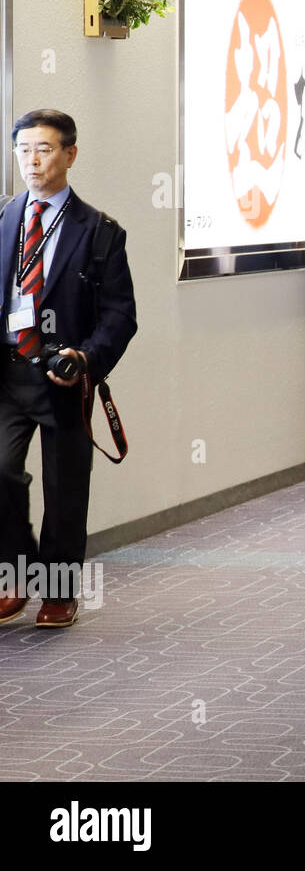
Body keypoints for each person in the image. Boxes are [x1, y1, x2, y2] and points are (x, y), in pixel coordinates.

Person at [0, 110, 137, 628]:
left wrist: (86, 358)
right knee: (1, 472)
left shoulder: (100, 231)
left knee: (64, 488)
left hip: (63, 377)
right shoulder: (3, 217)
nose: (32, 160)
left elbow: (121, 316)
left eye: (45, 149)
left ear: (69, 154)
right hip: (8, 373)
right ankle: (15, 574)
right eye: (24, 150)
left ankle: (58, 589)